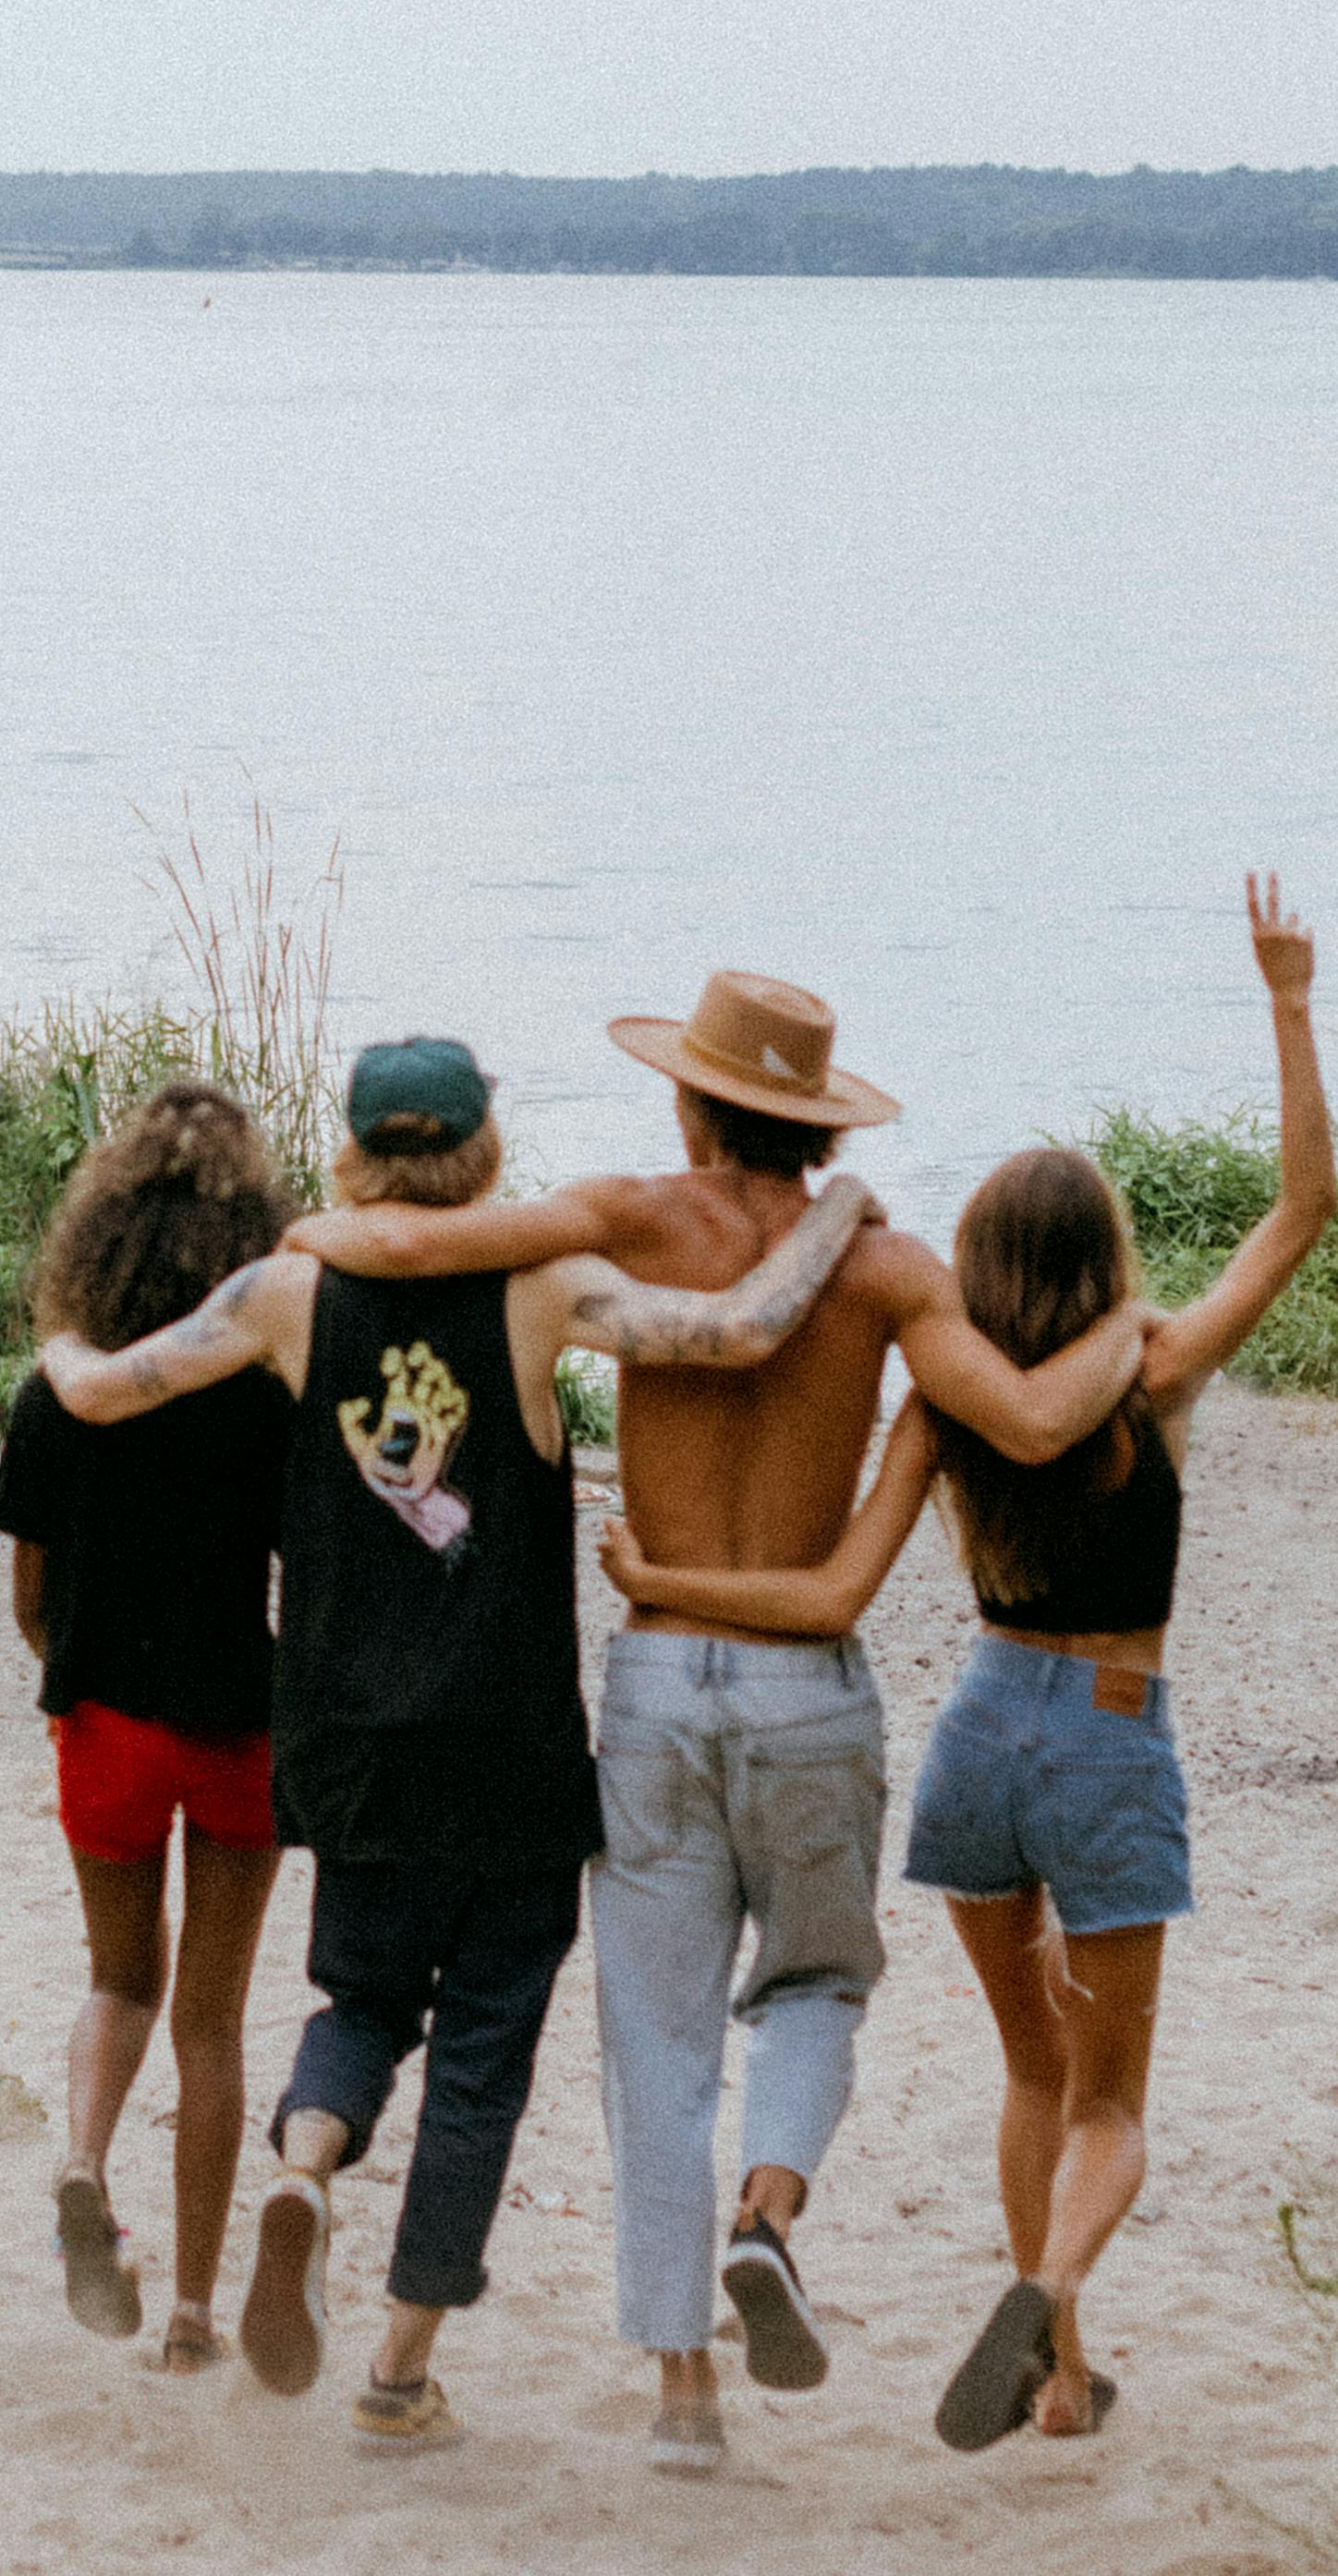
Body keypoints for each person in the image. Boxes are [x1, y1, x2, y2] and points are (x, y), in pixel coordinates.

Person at [288, 973, 1151, 2474]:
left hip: (655, 1680)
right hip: (806, 1689)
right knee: (816, 1982)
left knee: (657, 2039)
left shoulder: (624, 1218)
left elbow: (413, 1244)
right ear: (819, 1127)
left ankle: (684, 2395)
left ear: (691, 1104)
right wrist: (1139, 1327)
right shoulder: (885, 1270)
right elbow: (1023, 1421)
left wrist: (303, 1236)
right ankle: (770, 2210)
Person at [35, 1031, 884, 2450]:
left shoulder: (287, 1291)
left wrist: (58, 1340)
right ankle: (398, 2364)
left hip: (346, 1741)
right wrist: (842, 1211)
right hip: (510, 1746)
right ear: (485, 1151)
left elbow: (107, 1390)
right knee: (481, 2062)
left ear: (353, 1151)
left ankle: (307, 2167)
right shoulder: (544, 1289)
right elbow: (740, 1330)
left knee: (359, 2004)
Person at [594, 878, 1337, 2448]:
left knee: (1031, 2072)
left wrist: (659, 1582)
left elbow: (839, 1587)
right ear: (1106, 1253)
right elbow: (1301, 1214)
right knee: (1110, 2104)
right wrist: (1288, 1001)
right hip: (1110, 1730)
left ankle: (1061, 2374)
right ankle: (1047, 2294)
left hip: (981, 1737)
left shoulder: (945, 1398)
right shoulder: (1149, 1368)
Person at [0, 1077, 298, 2366]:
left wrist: (85, 1682)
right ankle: (190, 2316)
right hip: (234, 1726)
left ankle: (81, 2163)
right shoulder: (267, 1399)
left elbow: (31, 1602)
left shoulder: (57, 1395)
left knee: (119, 1981)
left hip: (104, 1719)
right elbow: (305, 1582)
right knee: (210, 2026)